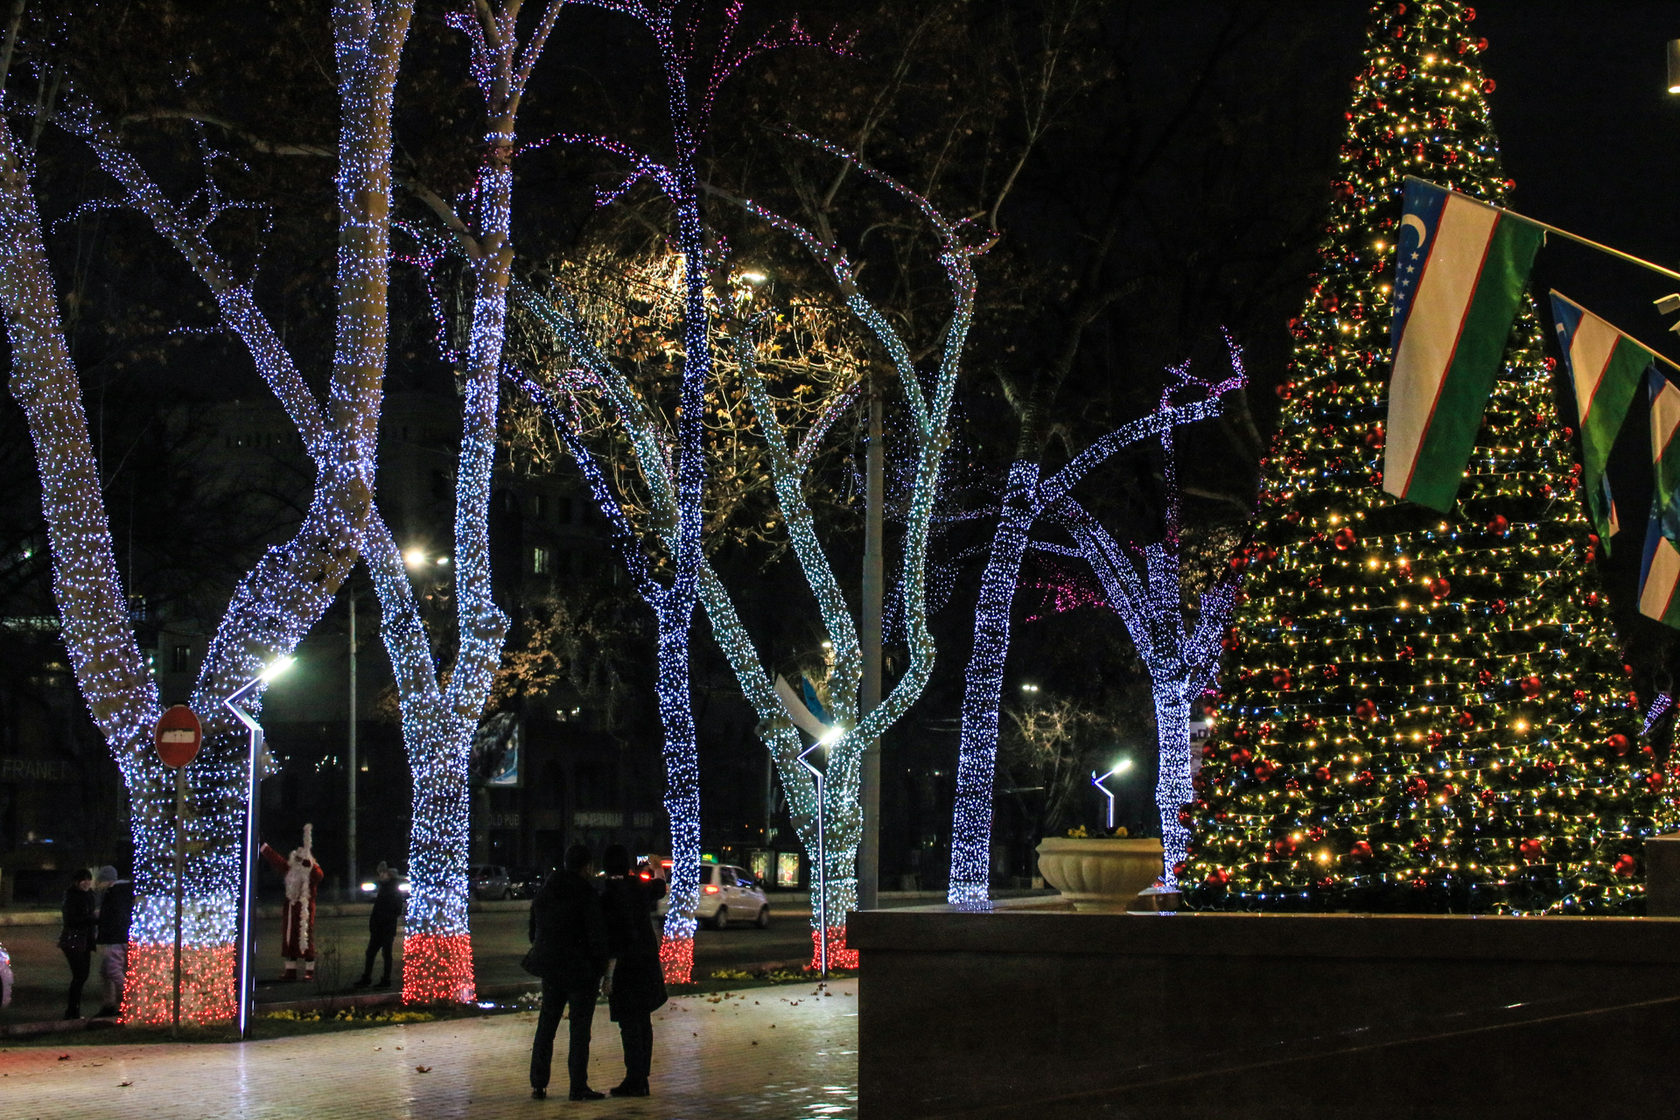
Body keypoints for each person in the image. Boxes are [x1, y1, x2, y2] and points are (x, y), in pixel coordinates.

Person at [526, 844, 608, 1102]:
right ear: (586, 866)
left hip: (552, 968)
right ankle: (578, 1086)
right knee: (580, 1029)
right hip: (581, 971)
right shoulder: (586, 893)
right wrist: (601, 968)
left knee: (547, 1025)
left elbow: (533, 931)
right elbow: (596, 935)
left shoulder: (546, 892)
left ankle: (539, 1083)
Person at [600, 845, 669, 1098]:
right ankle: (641, 1078)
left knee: (629, 1025)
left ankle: (634, 1078)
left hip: (623, 967)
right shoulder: (638, 888)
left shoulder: (607, 895)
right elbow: (659, 888)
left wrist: (606, 972)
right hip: (645, 963)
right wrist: (658, 868)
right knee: (642, 1020)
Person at [259, 824, 325, 981]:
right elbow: (277, 860)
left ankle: (309, 970)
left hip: (305, 909)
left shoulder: (311, 872)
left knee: (305, 937)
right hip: (290, 908)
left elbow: (318, 875)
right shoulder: (290, 869)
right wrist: (263, 846)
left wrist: (308, 865)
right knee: (289, 939)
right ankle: (291, 970)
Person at [354, 861, 404, 989]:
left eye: (383, 873)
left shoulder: (391, 890)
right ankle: (370, 978)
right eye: (380, 873)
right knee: (373, 953)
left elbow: (395, 910)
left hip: (385, 928)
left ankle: (383, 979)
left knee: (384, 954)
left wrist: (383, 921)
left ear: (389, 875)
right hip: (379, 928)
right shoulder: (385, 888)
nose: (381, 875)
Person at [93, 864, 134, 1017]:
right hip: (122, 936)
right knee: (105, 971)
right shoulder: (124, 892)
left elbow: (113, 917)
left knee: (113, 970)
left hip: (116, 938)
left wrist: (99, 917)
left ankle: (131, 997)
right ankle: (109, 1004)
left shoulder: (115, 893)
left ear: (106, 880)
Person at [57, 868, 97, 1020]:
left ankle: (74, 1010)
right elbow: (72, 919)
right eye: (83, 880)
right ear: (76, 882)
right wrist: (93, 919)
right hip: (73, 940)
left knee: (83, 975)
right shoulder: (71, 897)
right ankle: (72, 1011)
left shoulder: (89, 895)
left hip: (85, 941)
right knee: (79, 975)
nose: (86, 883)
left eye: (88, 879)